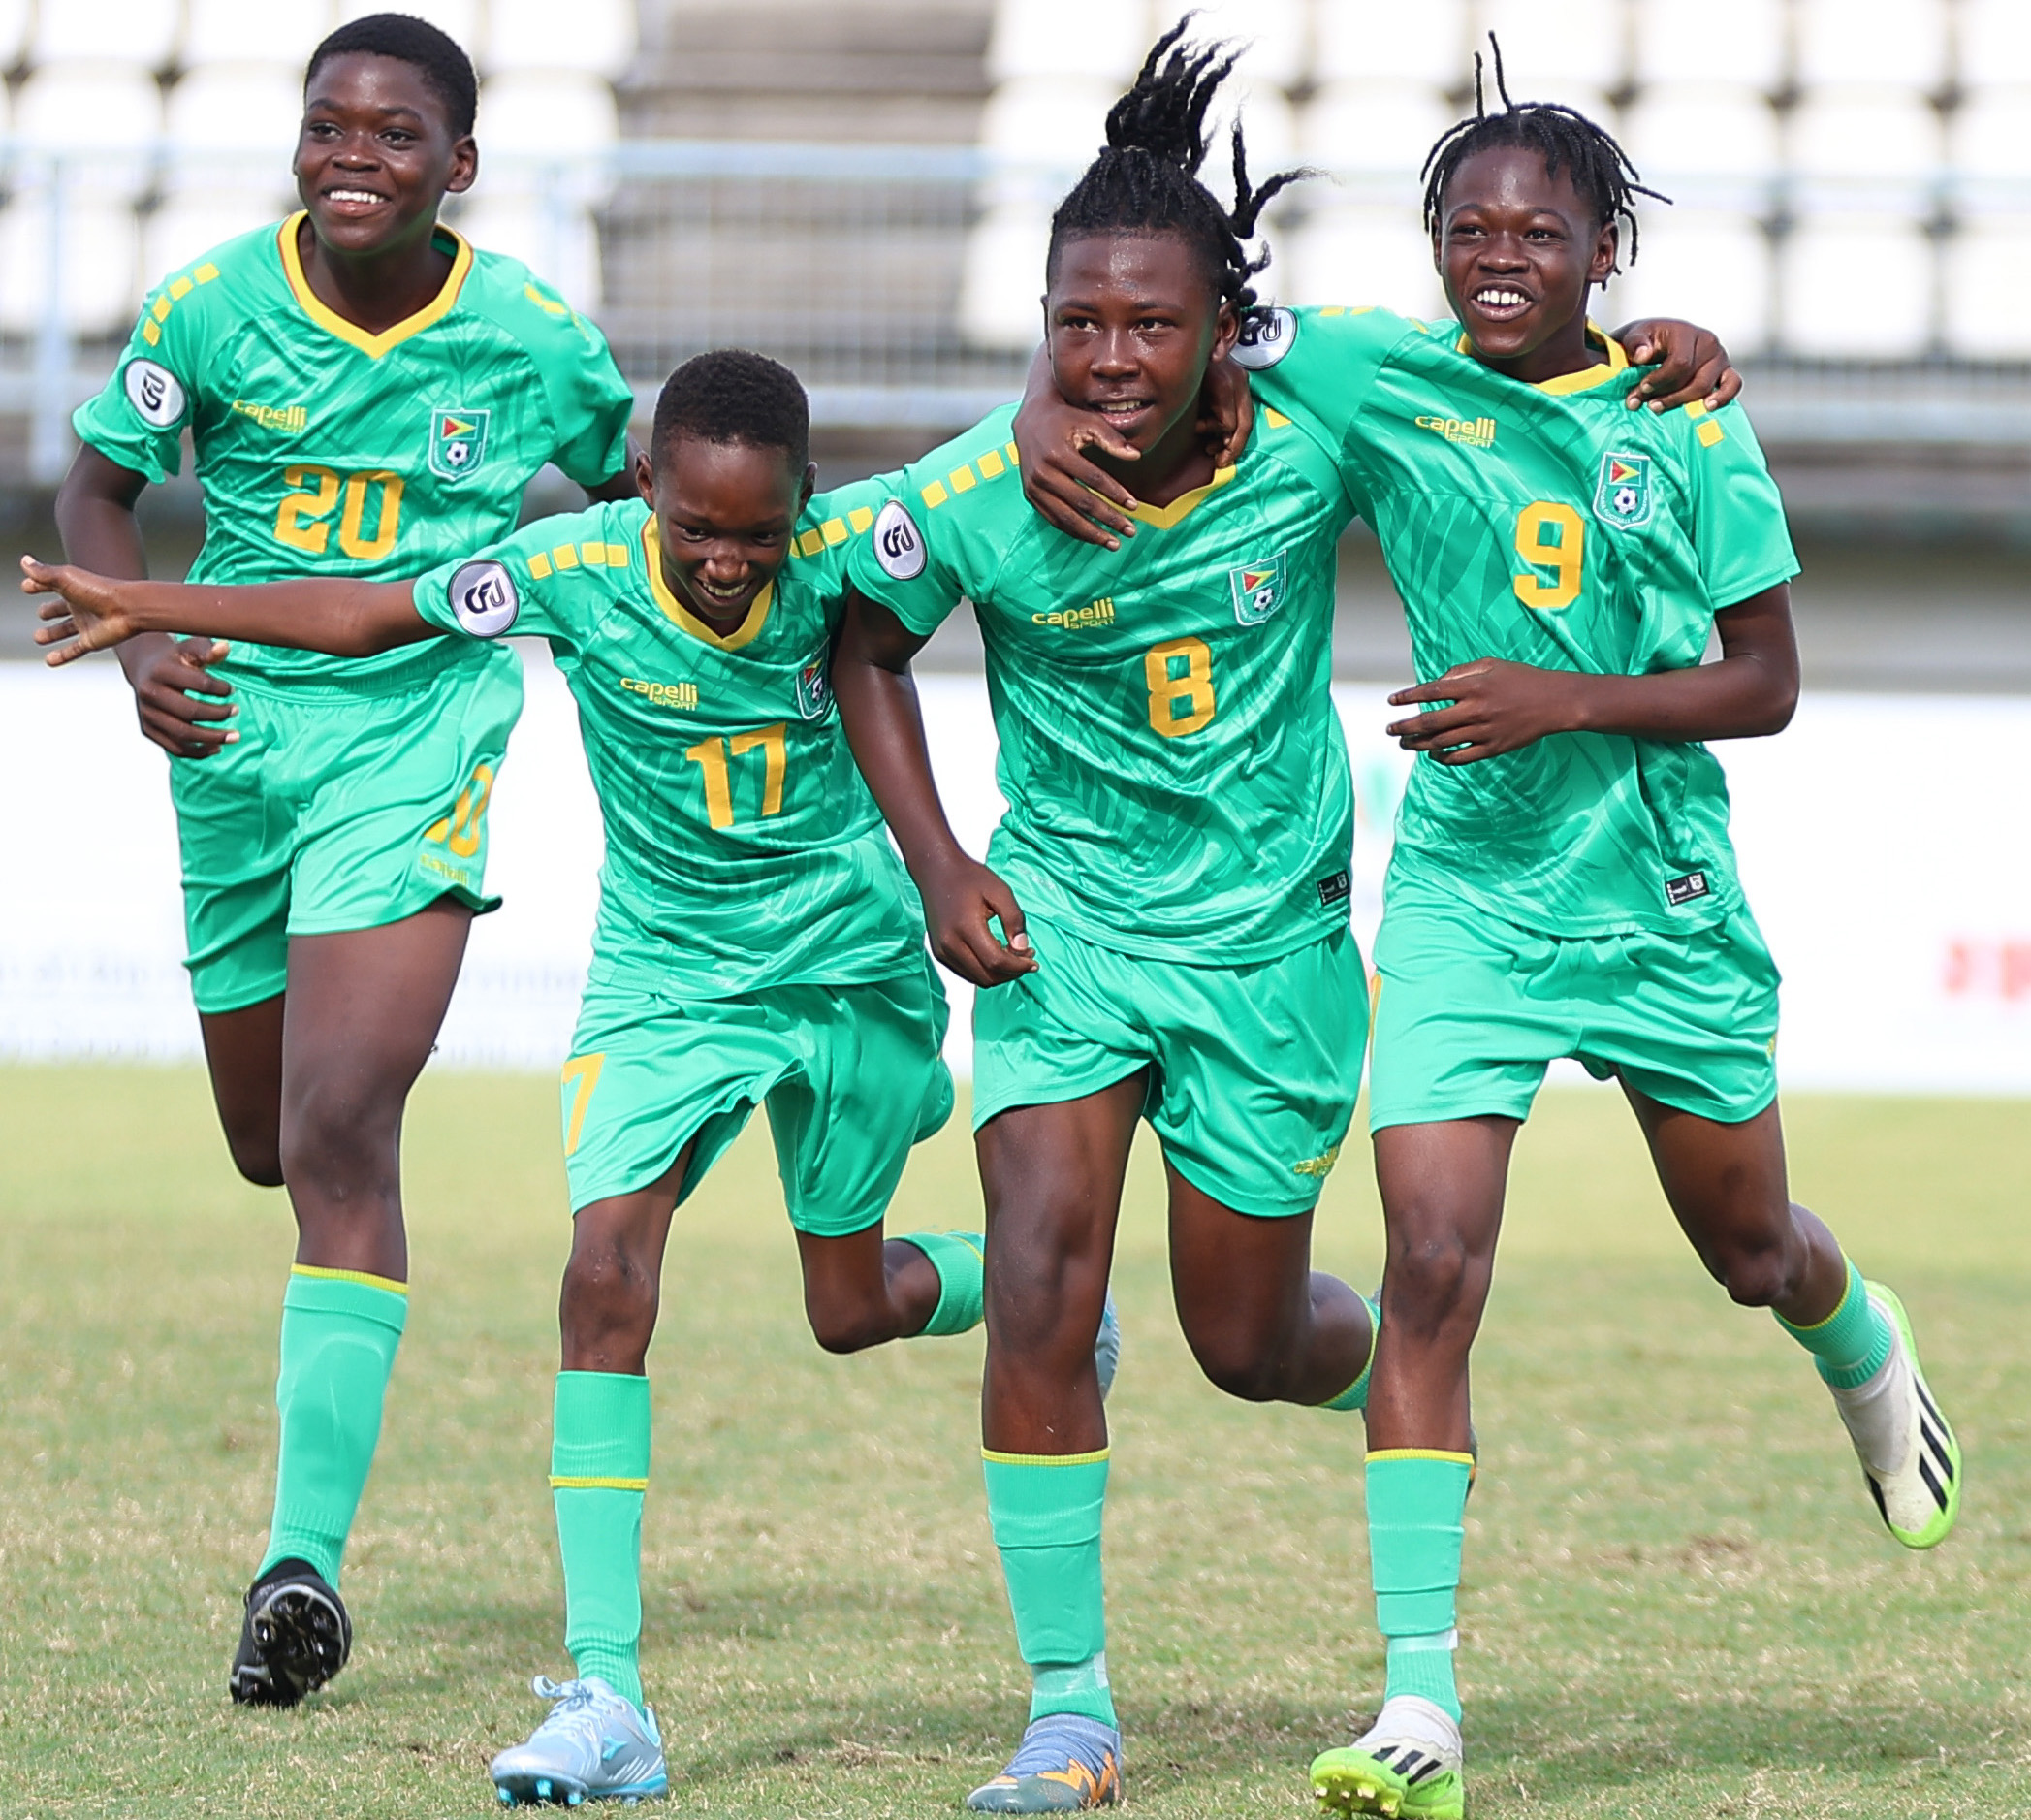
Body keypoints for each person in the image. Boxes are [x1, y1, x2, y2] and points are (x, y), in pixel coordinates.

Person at [32, 348, 1123, 1805]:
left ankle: (1042, 1300)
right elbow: (368, 610)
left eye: (760, 532)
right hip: (663, 978)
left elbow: (985, 462)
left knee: (848, 1306)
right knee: (603, 1275)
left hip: (847, 965)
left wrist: (1049, 396)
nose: (728, 561)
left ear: (804, 501)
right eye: (698, 527)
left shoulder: (856, 541)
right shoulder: (574, 565)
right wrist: (151, 601)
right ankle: (608, 1694)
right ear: (644, 486)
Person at [1119, 51, 1953, 1820]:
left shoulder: (1685, 415)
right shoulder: (1369, 368)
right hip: (1466, 899)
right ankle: (1418, 1703)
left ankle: (1857, 1339)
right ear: (1436, 243)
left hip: (1655, 897)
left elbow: (1767, 682)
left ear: (1603, 252)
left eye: (1540, 233)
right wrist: (1059, 411)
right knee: (1429, 1265)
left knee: (1750, 1247)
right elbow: (1157, 323)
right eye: (1472, 229)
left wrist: (1562, 698)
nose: (1501, 257)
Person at [54, 13, 642, 1706]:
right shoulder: (207, 307)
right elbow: (95, 493)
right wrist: (139, 649)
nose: (353, 158)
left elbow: (645, 501)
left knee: (336, 1127)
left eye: (393, 135)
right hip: (231, 742)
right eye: (329, 127)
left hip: (415, 740)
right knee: (266, 1143)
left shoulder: (532, 334)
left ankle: (295, 1567)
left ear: (460, 164)